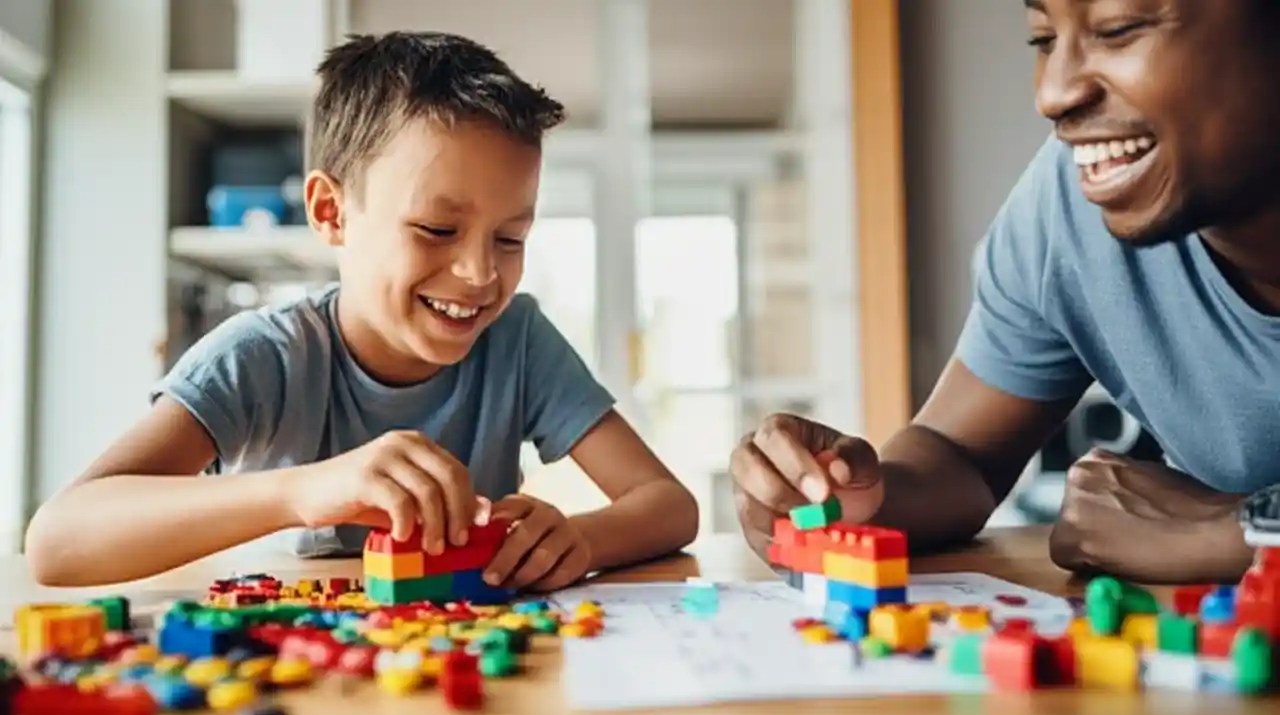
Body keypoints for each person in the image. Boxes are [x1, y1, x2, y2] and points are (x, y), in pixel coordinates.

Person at [25, 31, 698, 588]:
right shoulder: (264, 356)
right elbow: (59, 540)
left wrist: (581, 537)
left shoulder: (518, 341)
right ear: (331, 212)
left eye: (510, 238)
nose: (480, 273)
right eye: (436, 230)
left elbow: (669, 506)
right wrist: (303, 491)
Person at [730, 0, 1280, 585]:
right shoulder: (1067, 208)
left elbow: (1224, 537)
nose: (1054, 95)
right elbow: (960, 452)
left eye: (1118, 30)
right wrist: (855, 494)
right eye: (1042, 40)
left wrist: (1233, 532)